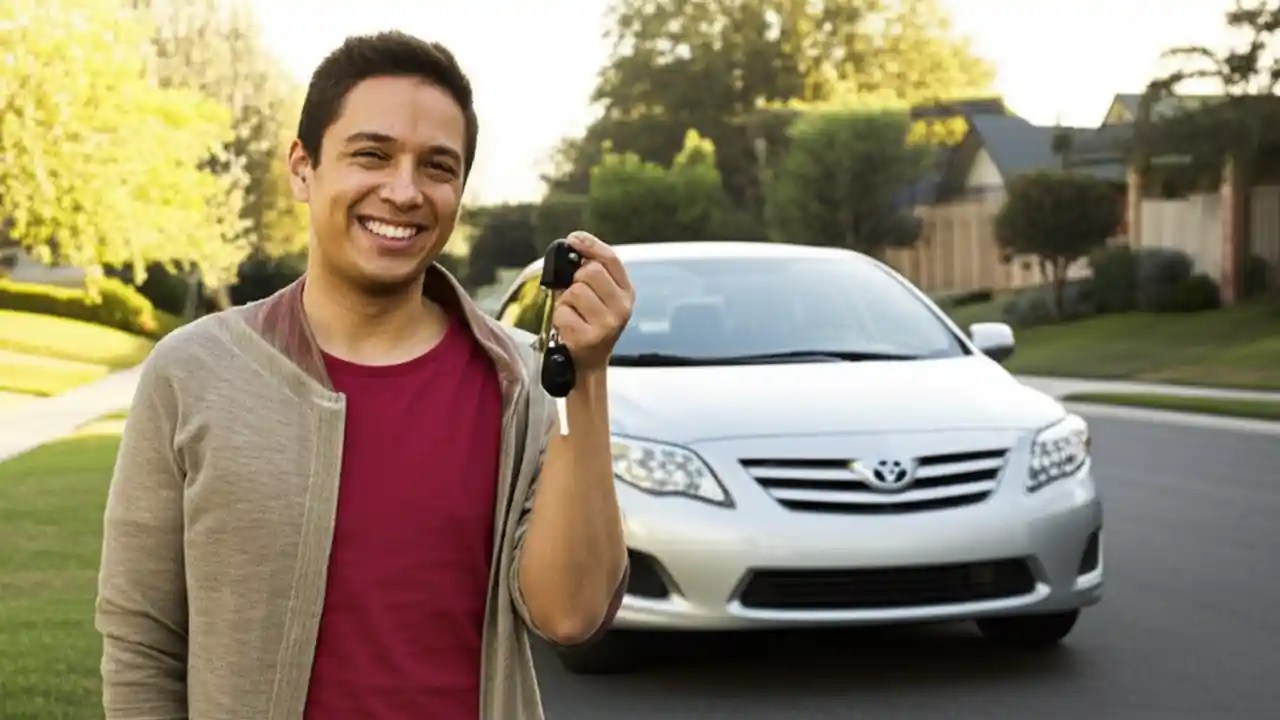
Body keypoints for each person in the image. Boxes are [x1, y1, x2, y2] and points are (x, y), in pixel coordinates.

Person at [94, 30, 632, 720]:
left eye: (437, 167)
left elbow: (571, 613)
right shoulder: (192, 371)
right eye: (371, 155)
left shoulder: (521, 381)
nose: (403, 191)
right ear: (301, 166)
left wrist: (585, 374)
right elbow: (141, 640)